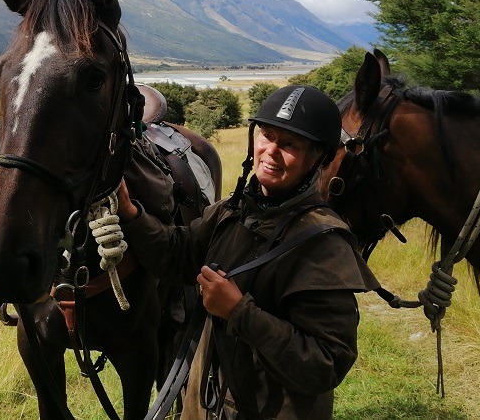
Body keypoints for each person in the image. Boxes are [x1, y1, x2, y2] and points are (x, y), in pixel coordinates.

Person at [116, 85, 379, 419]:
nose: (271, 151)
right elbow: (176, 256)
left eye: (290, 144)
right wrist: (132, 214)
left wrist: (238, 311)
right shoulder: (233, 210)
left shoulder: (323, 244)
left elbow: (324, 364)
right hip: (206, 405)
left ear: (317, 158)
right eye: (267, 136)